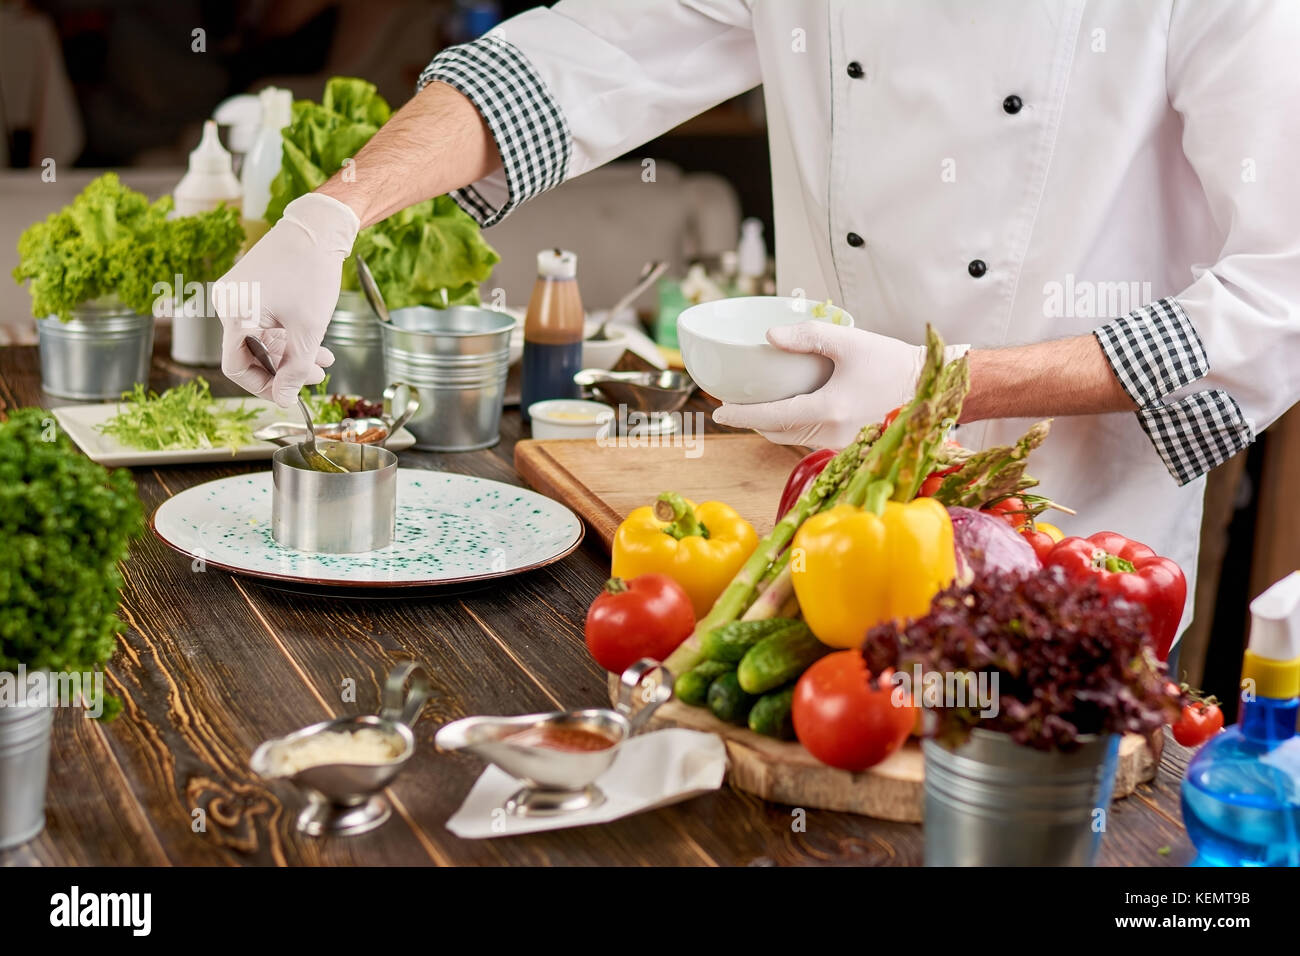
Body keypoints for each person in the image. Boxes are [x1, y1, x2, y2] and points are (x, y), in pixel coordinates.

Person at [214, 0, 1300, 650]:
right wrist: (335, 208)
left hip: (1071, 530)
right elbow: (573, 57)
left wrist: (947, 384)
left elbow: (1279, 296)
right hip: (822, 510)